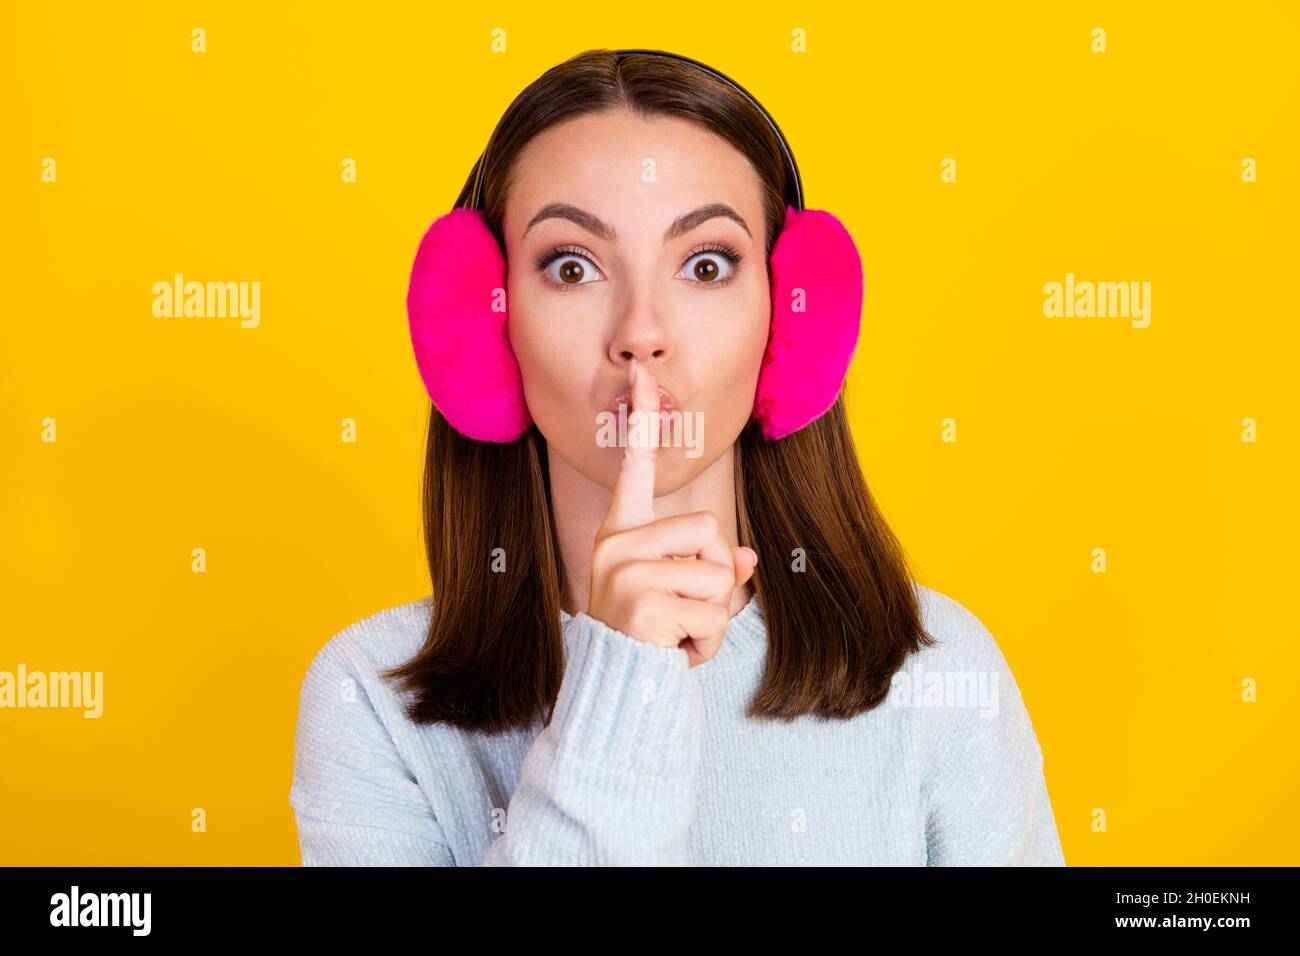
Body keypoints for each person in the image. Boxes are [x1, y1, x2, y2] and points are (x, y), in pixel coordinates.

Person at [289, 48, 1066, 866]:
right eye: (572, 267)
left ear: (791, 323)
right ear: (485, 328)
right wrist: (619, 686)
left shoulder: (939, 675)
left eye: (705, 265)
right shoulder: (370, 701)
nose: (641, 335)